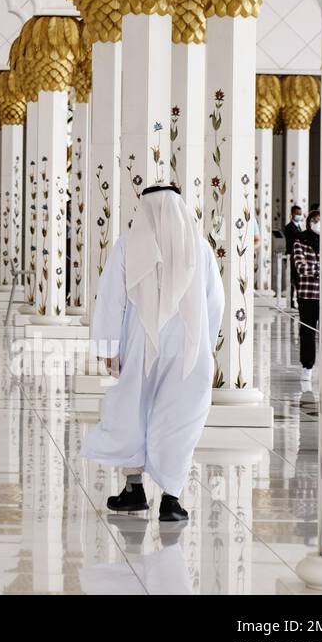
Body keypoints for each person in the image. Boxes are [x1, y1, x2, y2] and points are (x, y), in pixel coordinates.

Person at [81, 184, 224, 523]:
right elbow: (215, 301)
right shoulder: (199, 248)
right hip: (188, 348)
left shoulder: (129, 245)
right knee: (179, 415)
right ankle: (171, 498)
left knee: (133, 409)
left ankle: (134, 489)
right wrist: (205, 341)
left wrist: (108, 346)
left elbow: (111, 297)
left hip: (141, 344)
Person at [290, 208, 320, 392]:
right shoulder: (300, 241)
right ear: (308, 222)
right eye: (315, 220)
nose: (318, 223)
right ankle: (307, 367)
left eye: (320, 220)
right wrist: (321, 269)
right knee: (307, 332)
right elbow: (301, 267)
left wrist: (316, 268)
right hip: (307, 294)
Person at [283, 205, 305, 307]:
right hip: (291, 256)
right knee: (292, 279)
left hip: (298, 255)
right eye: (297, 214)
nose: (299, 216)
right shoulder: (289, 227)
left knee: (298, 279)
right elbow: (297, 236)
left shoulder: (299, 226)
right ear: (292, 214)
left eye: (300, 214)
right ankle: (291, 301)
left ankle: (298, 300)